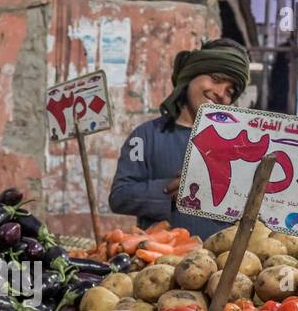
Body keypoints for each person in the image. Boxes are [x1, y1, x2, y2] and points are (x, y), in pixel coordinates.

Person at [107, 38, 250, 240]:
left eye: (230, 91)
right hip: (161, 264)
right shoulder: (147, 136)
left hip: (223, 265)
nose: (220, 93)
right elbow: (119, 196)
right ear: (192, 74)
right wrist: (168, 190)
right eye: (216, 79)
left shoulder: (239, 144)